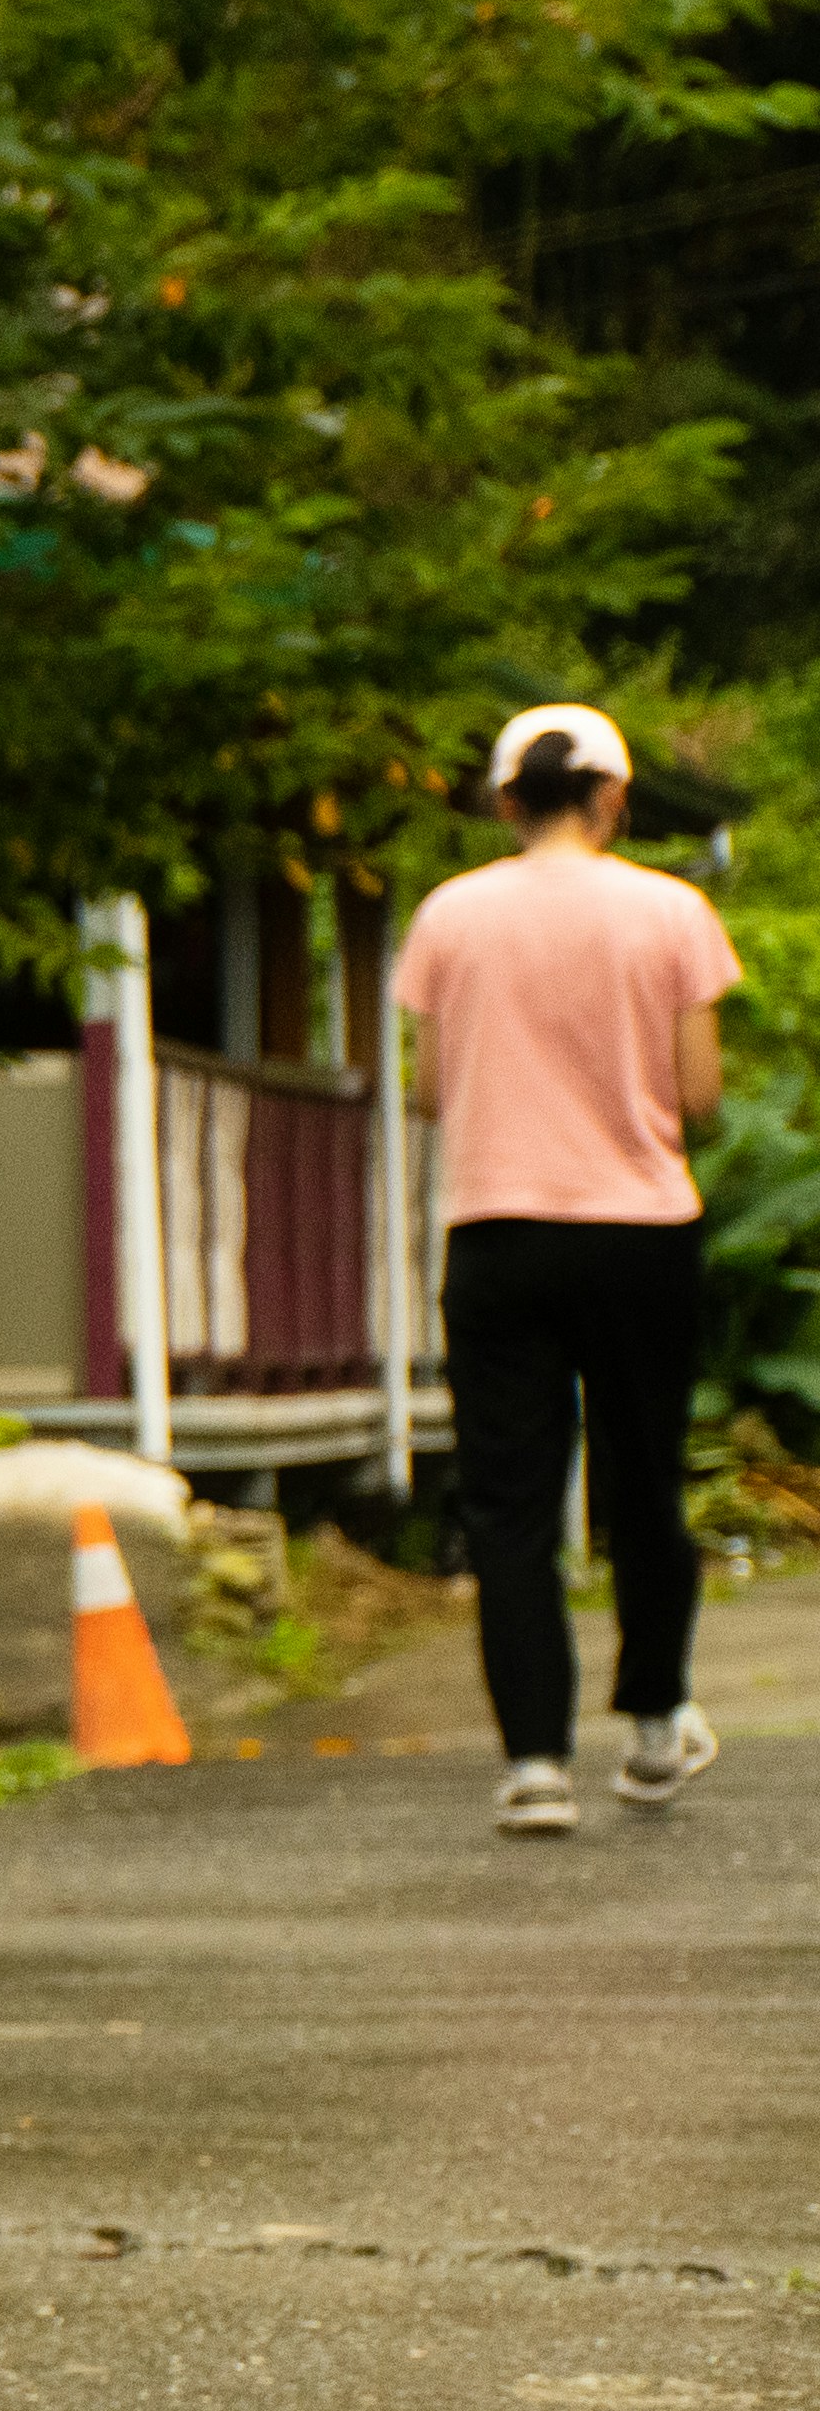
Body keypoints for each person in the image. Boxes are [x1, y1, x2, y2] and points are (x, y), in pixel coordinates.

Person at [391, 703, 740, 1837]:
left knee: (510, 1503)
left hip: (497, 1230)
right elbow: (698, 1095)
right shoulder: (672, 910)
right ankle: (651, 1725)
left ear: (505, 802)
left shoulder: (451, 915)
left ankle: (536, 1762)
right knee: (642, 1482)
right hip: (639, 1231)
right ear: (614, 798)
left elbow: (430, 1090)